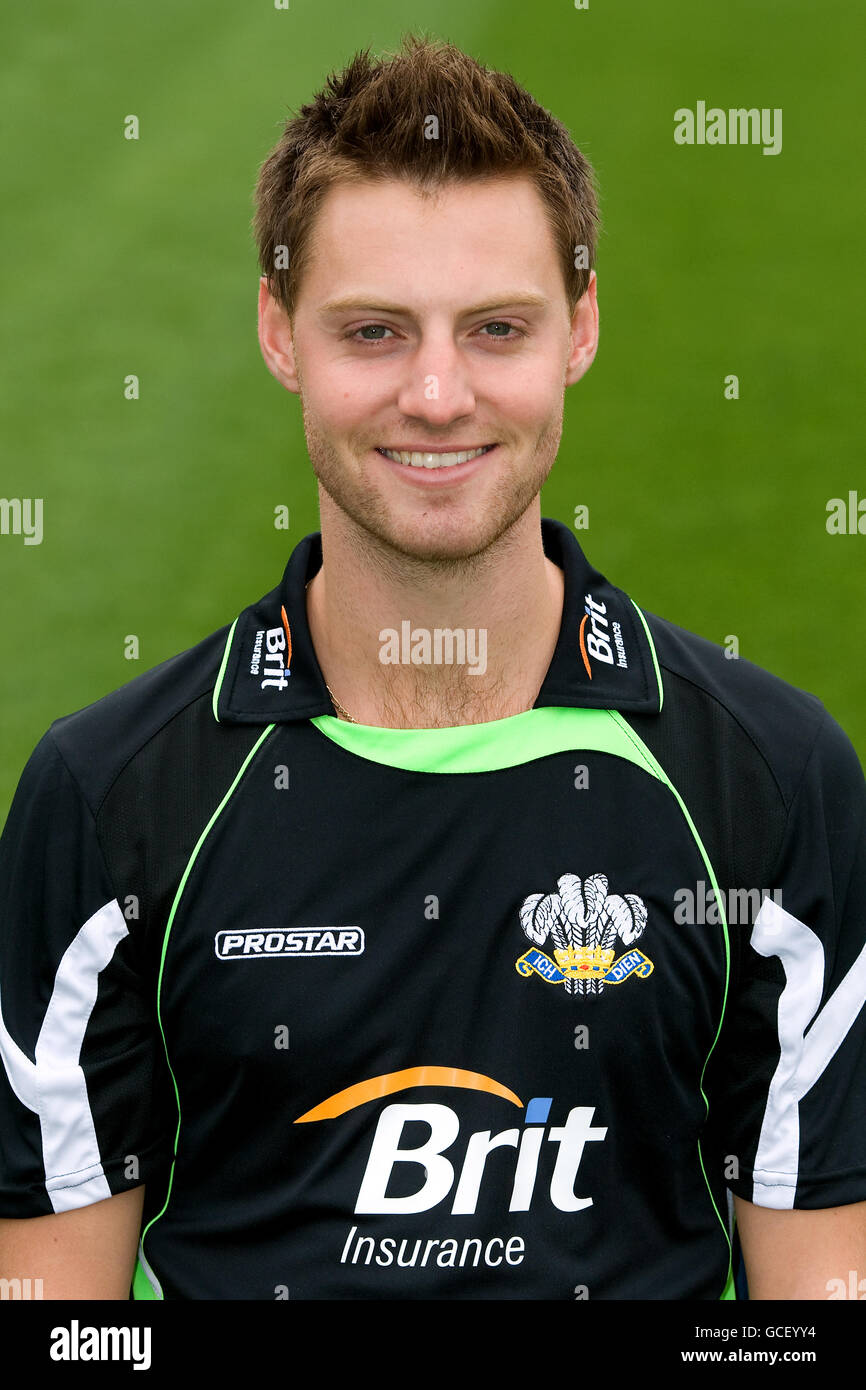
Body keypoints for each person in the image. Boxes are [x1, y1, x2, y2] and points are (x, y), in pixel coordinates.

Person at [1, 34, 864, 1302]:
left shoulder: (769, 785)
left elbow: (814, 1302)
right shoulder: (105, 799)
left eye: (495, 328)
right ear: (277, 333)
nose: (437, 391)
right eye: (373, 331)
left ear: (577, 331)